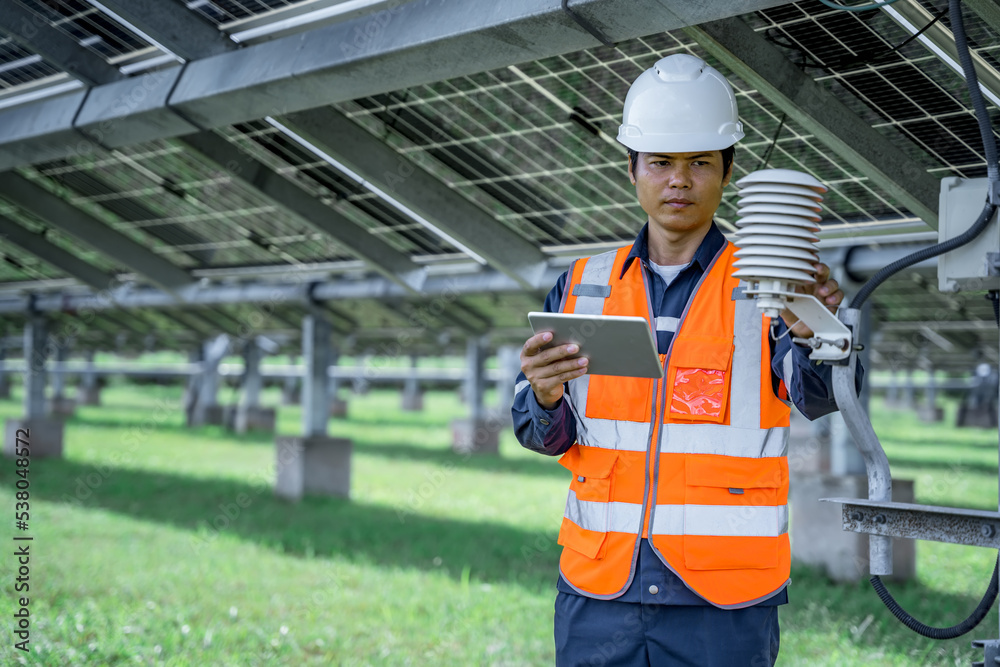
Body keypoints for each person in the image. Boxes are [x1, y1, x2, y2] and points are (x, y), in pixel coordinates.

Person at [511, 53, 862, 666]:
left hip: (722, 601)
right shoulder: (581, 284)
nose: (679, 180)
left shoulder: (770, 286)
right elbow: (539, 430)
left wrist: (818, 335)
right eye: (662, 163)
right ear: (633, 172)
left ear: (725, 173)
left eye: (699, 162)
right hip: (601, 592)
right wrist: (541, 396)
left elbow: (817, 396)